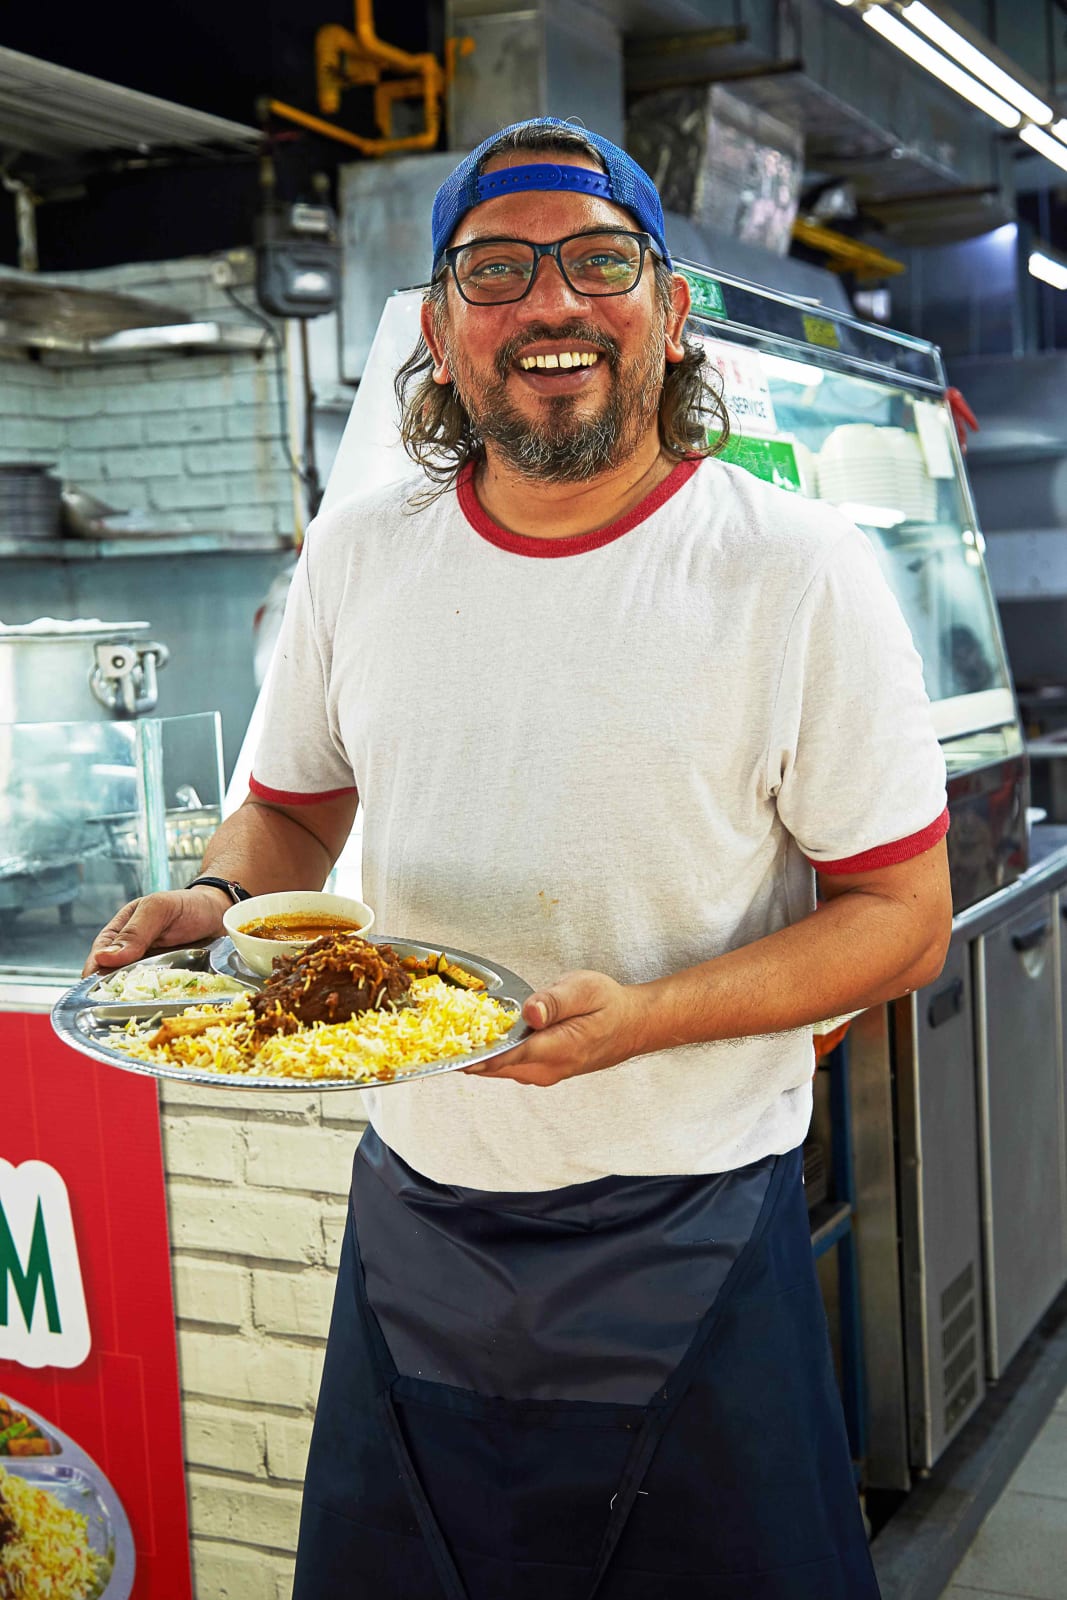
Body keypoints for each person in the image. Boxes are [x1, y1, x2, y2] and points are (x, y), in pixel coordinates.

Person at [85, 118, 952, 1598]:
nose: (550, 304)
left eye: (598, 261)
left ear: (670, 312)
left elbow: (902, 918)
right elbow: (295, 809)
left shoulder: (795, 571)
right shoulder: (362, 553)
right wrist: (220, 901)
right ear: (437, 330)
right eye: (496, 270)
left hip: (690, 1217)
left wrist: (652, 1023)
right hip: (421, 1207)